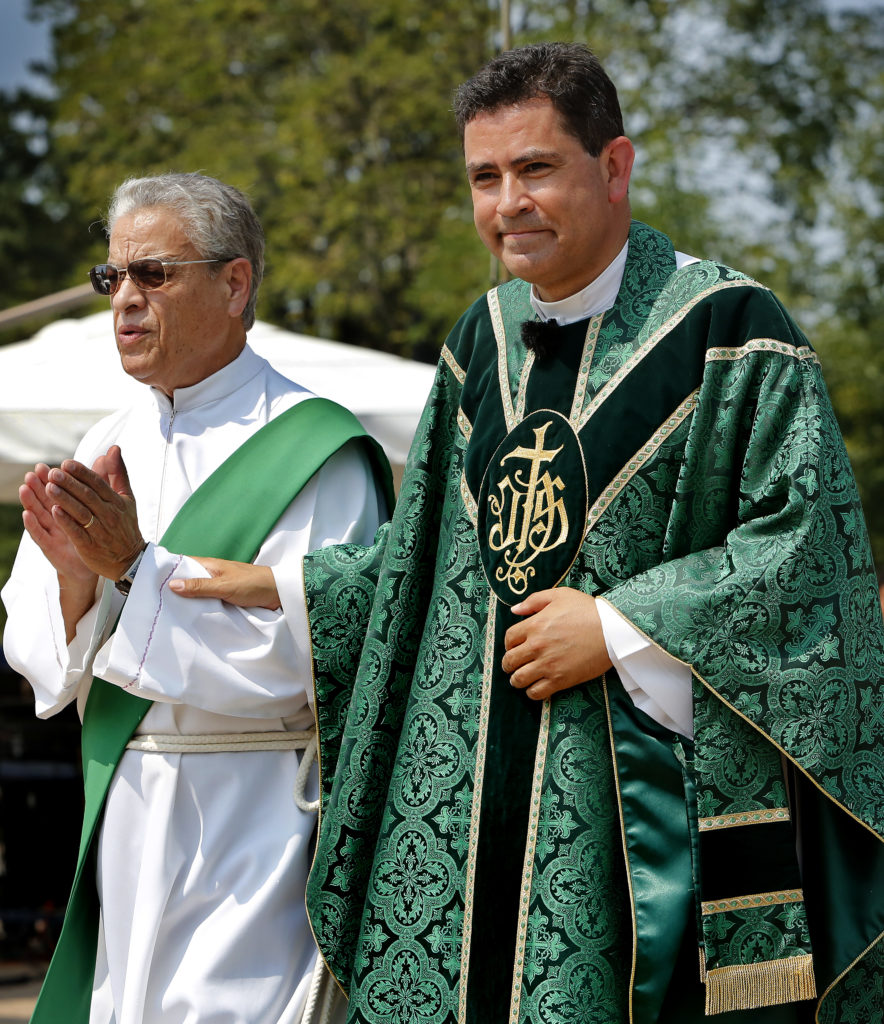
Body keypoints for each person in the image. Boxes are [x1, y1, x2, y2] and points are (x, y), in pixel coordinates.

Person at [172, 44, 884, 1023]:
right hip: (473, 814)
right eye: (484, 177)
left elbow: (805, 559)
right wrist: (283, 584)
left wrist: (621, 627)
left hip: (639, 822)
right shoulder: (480, 340)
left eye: (536, 168)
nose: (508, 202)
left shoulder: (730, 331)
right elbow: (433, 557)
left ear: (615, 166)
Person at [1, 172, 390, 1024]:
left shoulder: (320, 450)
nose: (125, 301)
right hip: (126, 806)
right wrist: (76, 583)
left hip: (256, 823)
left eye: (154, 275)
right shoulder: (106, 440)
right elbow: (37, 656)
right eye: (114, 278)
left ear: (236, 282)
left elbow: (312, 657)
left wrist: (135, 570)